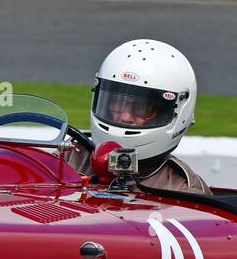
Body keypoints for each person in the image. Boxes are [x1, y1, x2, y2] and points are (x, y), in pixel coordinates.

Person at [69, 39, 210, 194]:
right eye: (117, 102)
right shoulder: (69, 157)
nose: (125, 117)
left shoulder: (183, 190)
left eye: (142, 108)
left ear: (178, 113)